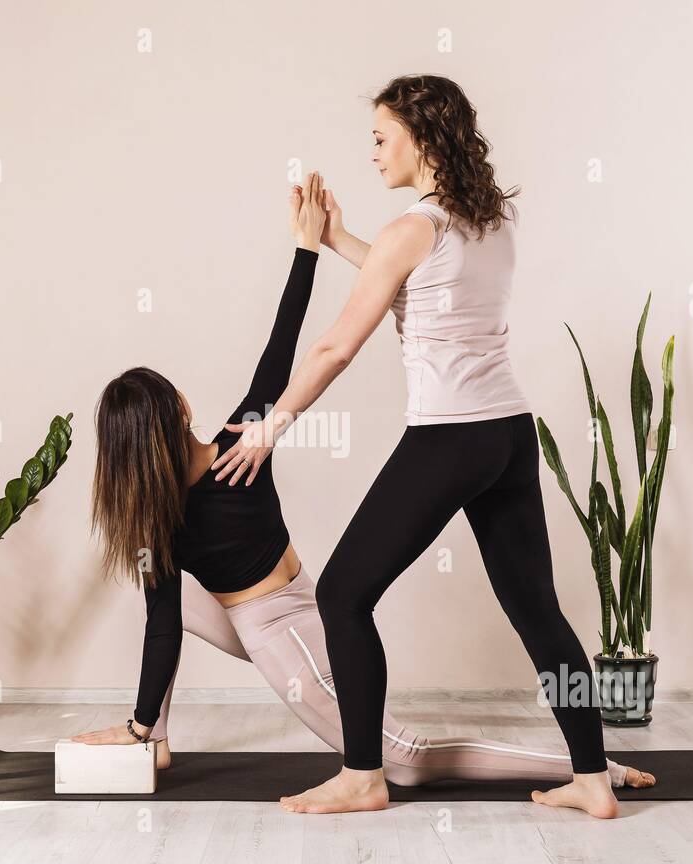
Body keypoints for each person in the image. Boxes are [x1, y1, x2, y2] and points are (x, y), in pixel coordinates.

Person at [76, 171, 654, 795]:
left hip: (283, 627)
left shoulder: (160, 511)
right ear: (180, 405)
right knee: (402, 755)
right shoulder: (241, 446)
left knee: (401, 755)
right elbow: (284, 346)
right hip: (269, 628)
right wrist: (305, 247)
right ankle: (151, 739)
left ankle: (597, 772)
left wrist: (315, 244)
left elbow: (165, 626)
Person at [210, 76, 634, 818]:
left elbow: (339, 345)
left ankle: (362, 775)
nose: (372, 151)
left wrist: (273, 422)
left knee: (343, 595)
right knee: (538, 609)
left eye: (380, 136)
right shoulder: (491, 220)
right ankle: (593, 780)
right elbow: (417, 279)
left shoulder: (415, 228)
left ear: (421, 138)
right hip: (508, 435)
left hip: (449, 436)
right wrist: (335, 238)